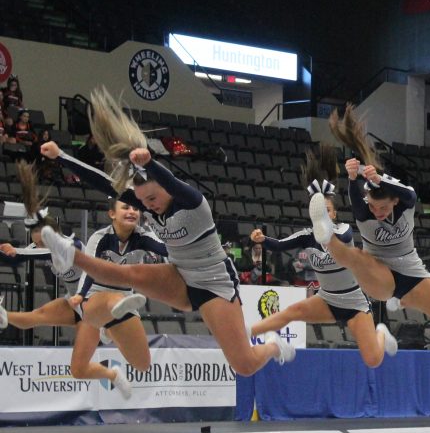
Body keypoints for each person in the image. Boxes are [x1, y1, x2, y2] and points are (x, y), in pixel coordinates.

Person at [36, 87, 295, 376]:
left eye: (153, 199)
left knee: (244, 365)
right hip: (179, 275)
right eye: (144, 201)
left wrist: (151, 163)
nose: (149, 206)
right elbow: (105, 184)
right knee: (126, 273)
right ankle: (68, 252)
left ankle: (272, 345)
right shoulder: (147, 200)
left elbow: (171, 181)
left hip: (213, 284)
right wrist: (60, 156)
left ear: (163, 188)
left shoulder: (193, 203)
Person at [309, 104, 430, 335]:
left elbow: (409, 192)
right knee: (355, 256)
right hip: (377, 269)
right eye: (373, 206)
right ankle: (325, 233)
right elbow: (357, 198)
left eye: (383, 207)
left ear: (395, 202)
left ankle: (427, 301)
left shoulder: (405, 203)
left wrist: (379, 178)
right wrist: (352, 178)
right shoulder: (364, 212)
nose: (377, 212)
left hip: (411, 271)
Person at [0, 162, 161, 398]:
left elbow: (66, 258)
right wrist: (21, 250)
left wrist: (20, 251)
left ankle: (108, 327)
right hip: (79, 302)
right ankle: (112, 373)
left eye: (45, 241)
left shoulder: (71, 246)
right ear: (112, 213)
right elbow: (40, 251)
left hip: (93, 297)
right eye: (38, 243)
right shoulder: (89, 239)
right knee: (71, 360)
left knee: (117, 318)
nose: (41, 246)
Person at [250, 146, 397, 368]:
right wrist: (262, 239)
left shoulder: (343, 231)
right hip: (327, 298)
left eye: (328, 211)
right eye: (320, 211)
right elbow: (280, 245)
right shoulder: (307, 236)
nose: (325, 214)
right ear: (313, 213)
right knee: (293, 311)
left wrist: (326, 233)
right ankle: (246, 332)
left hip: (353, 302)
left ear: (333, 214)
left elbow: (346, 236)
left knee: (373, 360)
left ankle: (382, 333)